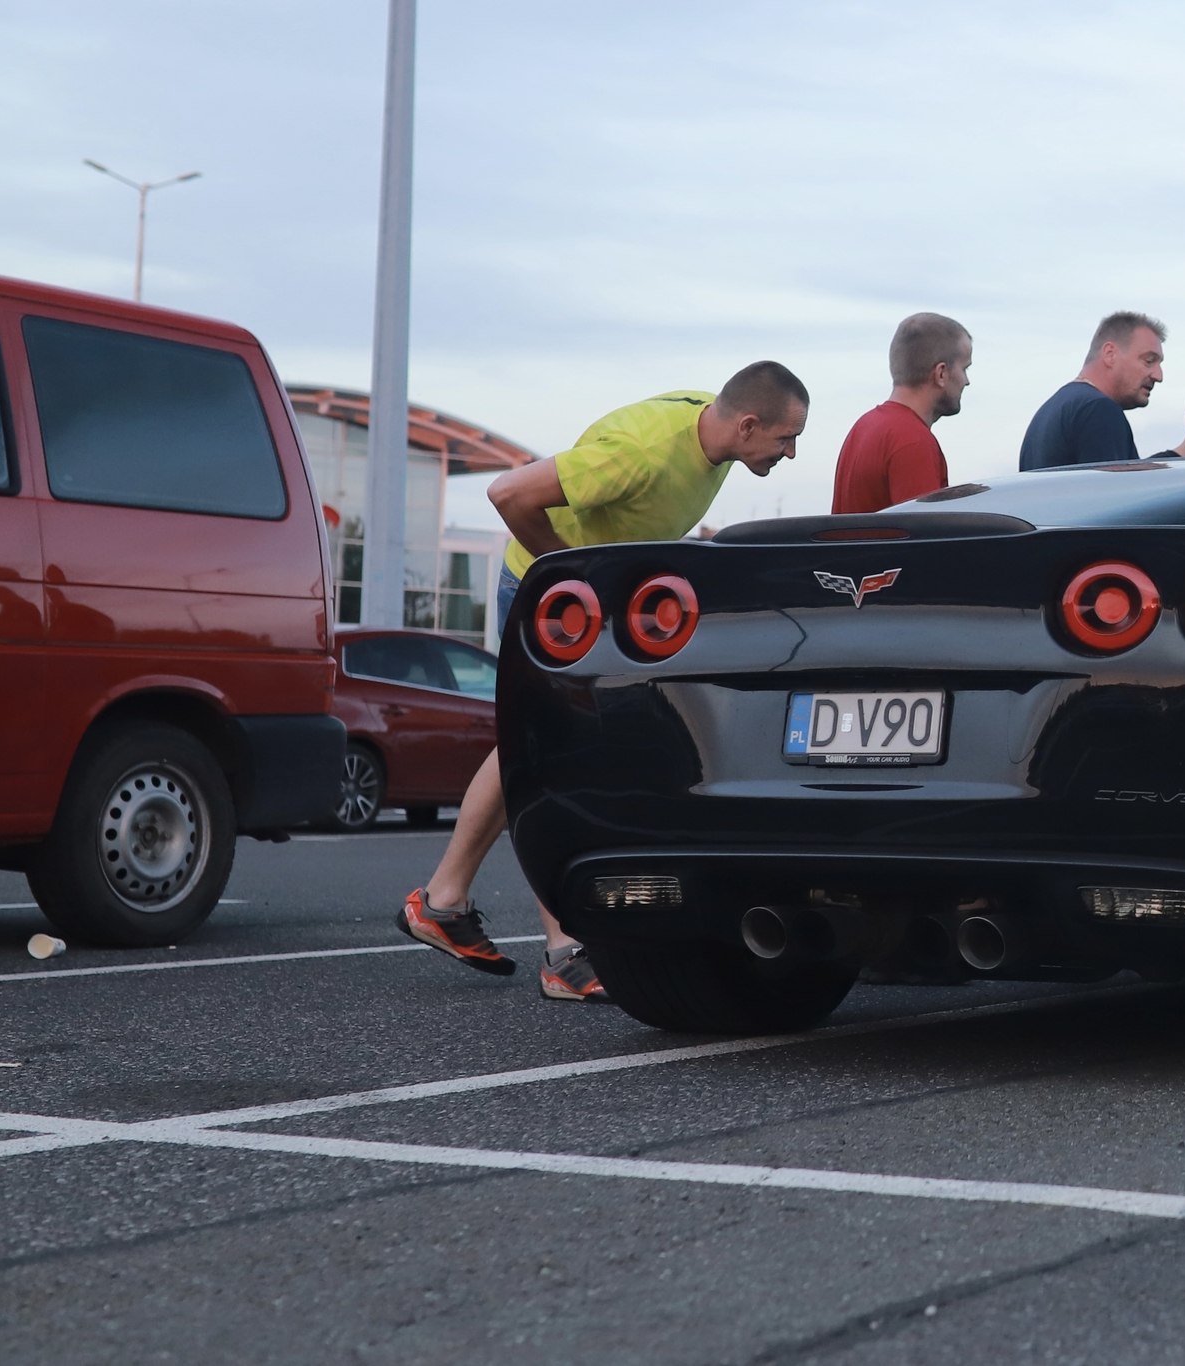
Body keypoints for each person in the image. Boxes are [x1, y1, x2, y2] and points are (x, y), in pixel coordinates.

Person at [396, 362, 811, 1001]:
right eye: (786, 439)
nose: (791, 453)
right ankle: (558, 950)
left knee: (536, 749)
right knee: (548, 752)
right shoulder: (642, 452)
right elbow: (509, 494)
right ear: (749, 424)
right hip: (548, 590)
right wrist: (575, 575)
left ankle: (449, 900)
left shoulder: (719, 430)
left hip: (593, 602)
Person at [832, 313, 971, 514]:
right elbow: (924, 537)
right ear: (941, 373)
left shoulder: (864, 426)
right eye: (965, 368)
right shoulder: (912, 440)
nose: (967, 381)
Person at [1017, 312, 1164, 470]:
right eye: (1149, 361)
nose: (1158, 376)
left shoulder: (1050, 412)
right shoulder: (1098, 410)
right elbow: (1113, 492)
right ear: (1110, 354)